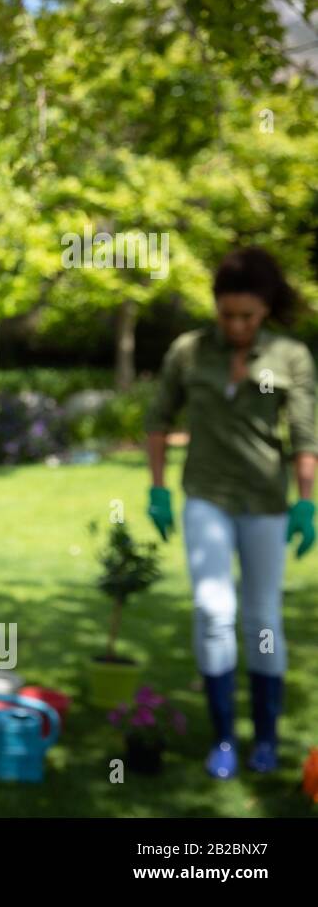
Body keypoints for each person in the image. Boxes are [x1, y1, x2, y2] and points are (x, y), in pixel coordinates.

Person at [145, 245, 316, 779]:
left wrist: (306, 502)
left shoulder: (290, 357)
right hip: (207, 499)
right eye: (227, 314)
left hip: (265, 502)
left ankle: (264, 737)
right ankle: (223, 738)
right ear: (216, 307)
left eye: (248, 315)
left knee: (263, 618)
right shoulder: (190, 352)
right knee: (214, 610)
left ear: (265, 309)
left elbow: (304, 435)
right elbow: (157, 419)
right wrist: (158, 489)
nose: (237, 325)